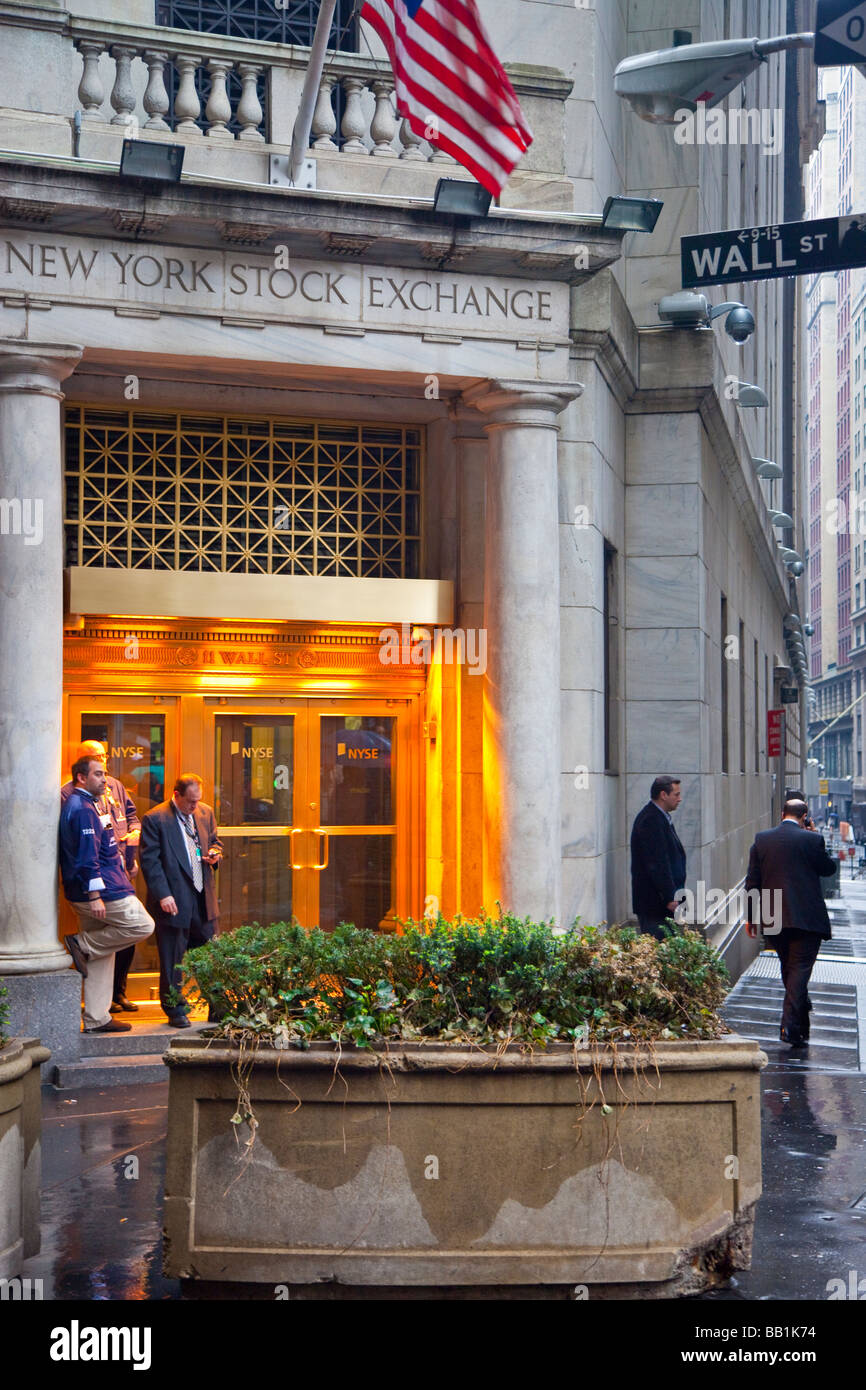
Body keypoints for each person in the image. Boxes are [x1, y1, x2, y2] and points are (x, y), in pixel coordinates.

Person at [59, 755, 155, 1034]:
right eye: (99, 774)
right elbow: (87, 856)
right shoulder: (82, 808)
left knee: (104, 955)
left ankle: (96, 1018)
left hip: (100, 887)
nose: (105, 779)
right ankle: (81, 945)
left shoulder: (86, 804)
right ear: (81, 778)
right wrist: (94, 896)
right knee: (143, 925)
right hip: (105, 891)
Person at [745, 797, 837, 1047]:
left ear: (782, 813)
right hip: (806, 918)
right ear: (805, 816)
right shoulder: (812, 840)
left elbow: (752, 881)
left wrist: (751, 917)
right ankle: (789, 1025)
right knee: (798, 971)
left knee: (791, 969)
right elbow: (828, 869)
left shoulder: (762, 839)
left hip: (773, 916)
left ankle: (800, 1025)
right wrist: (818, 839)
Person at [139, 773, 223, 1028]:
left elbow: (215, 841)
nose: (194, 807)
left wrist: (215, 854)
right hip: (173, 896)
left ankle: (217, 1005)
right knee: (173, 956)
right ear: (176, 795)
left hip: (202, 895)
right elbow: (150, 862)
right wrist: (163, 894)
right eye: (190, 802)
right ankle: (175, 1008)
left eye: (197, 801)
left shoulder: (205, 812)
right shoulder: (156, 818)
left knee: (210, 953)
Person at [630, 776, 687, 940]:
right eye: (676, 795)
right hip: (656, 905)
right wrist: (669, 897)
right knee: (661, 949)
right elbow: (657, 863)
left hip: (663, 903)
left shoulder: (660, 817)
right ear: (663, 795)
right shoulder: (650, 820)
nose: (680, 799)